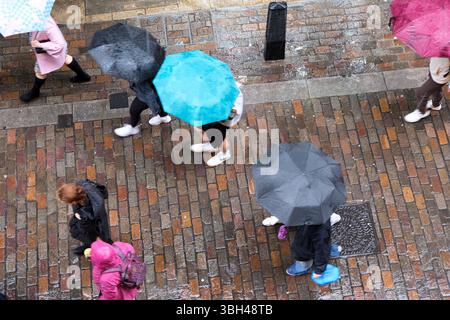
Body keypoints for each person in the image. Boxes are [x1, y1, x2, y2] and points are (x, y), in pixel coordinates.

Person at [20, 16, 91, 103]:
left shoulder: (46, 24)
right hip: (51, 49)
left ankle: (35, 92)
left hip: (49, 50)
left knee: (40, 71)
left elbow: (59, 44)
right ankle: (83, 76)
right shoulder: (33, 19)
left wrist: (40, 45)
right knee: (64, 57)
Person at [190, 82, 244, 167]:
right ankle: (213, 145)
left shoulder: (231, 94)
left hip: (219, 120)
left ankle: (224, 153)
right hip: (208, 114)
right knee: (202, 128)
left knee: (218, 136)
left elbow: (230, 113)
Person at [57, 180, 112, 255]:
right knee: (100, 235)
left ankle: (95, 246)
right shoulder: (82, 185)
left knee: (92, 237)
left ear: (74, 201)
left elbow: (87, 229)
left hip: (93, 225)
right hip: (98, 219)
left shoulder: (85, 214)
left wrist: (79, 216)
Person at [404, 57, 450, 123]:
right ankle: (436, 104)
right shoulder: (440, 48)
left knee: (421, 93)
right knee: (436, 89)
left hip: (440, 76)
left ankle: (422, 111)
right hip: (435, 70)